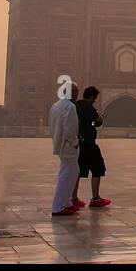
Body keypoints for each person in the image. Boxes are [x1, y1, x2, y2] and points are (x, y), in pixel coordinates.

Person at [74, 86, 110, 209]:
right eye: (95, 98)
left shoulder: (76, 106)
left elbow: (89, 122)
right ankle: (95, 198)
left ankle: (73, 198)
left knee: (77, 171)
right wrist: (100, 117)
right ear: (93, 97)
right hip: (89, 144)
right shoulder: (88, 107)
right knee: (98, 169)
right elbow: (97, 122)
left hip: (78, 143)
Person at [49, 81, 81, 217]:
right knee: (66, 175)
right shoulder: (69, 106)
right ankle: (58, 206)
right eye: (76, 91)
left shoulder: (56, 105)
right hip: (68, 145)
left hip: (60, 143)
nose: (78, 93)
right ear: (71, 92)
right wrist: (75, 142)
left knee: (73, 172)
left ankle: (66, 203)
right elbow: (69, 128)